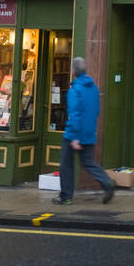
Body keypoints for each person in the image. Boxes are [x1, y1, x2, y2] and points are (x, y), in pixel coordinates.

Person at [55, 56, 115, 205]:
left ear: (74, 71)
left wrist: (74, 137)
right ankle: (106, 181)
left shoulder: (75, 90)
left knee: (66, 165)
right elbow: (96, 110)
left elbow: (74, 114)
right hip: (89, 132)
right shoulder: (93, 88)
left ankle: (66, 197)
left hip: (73, 135)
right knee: (88, 162)